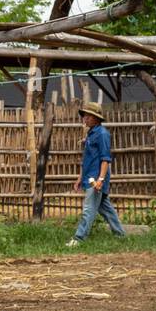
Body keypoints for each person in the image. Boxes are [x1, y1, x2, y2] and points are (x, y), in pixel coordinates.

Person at [66, 100, 126, 247]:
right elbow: (87, 159)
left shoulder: (102, 134)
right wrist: (79, 178)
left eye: (88, 116)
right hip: (89, 177)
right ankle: (120, 235)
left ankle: (79, 238)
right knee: (106, 209)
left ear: (96, 118)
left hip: (97, 178)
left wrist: (101, 179)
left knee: (88, 209)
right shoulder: (91, 134)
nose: (85, 118)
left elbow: (105, 159)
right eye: (84, 116)